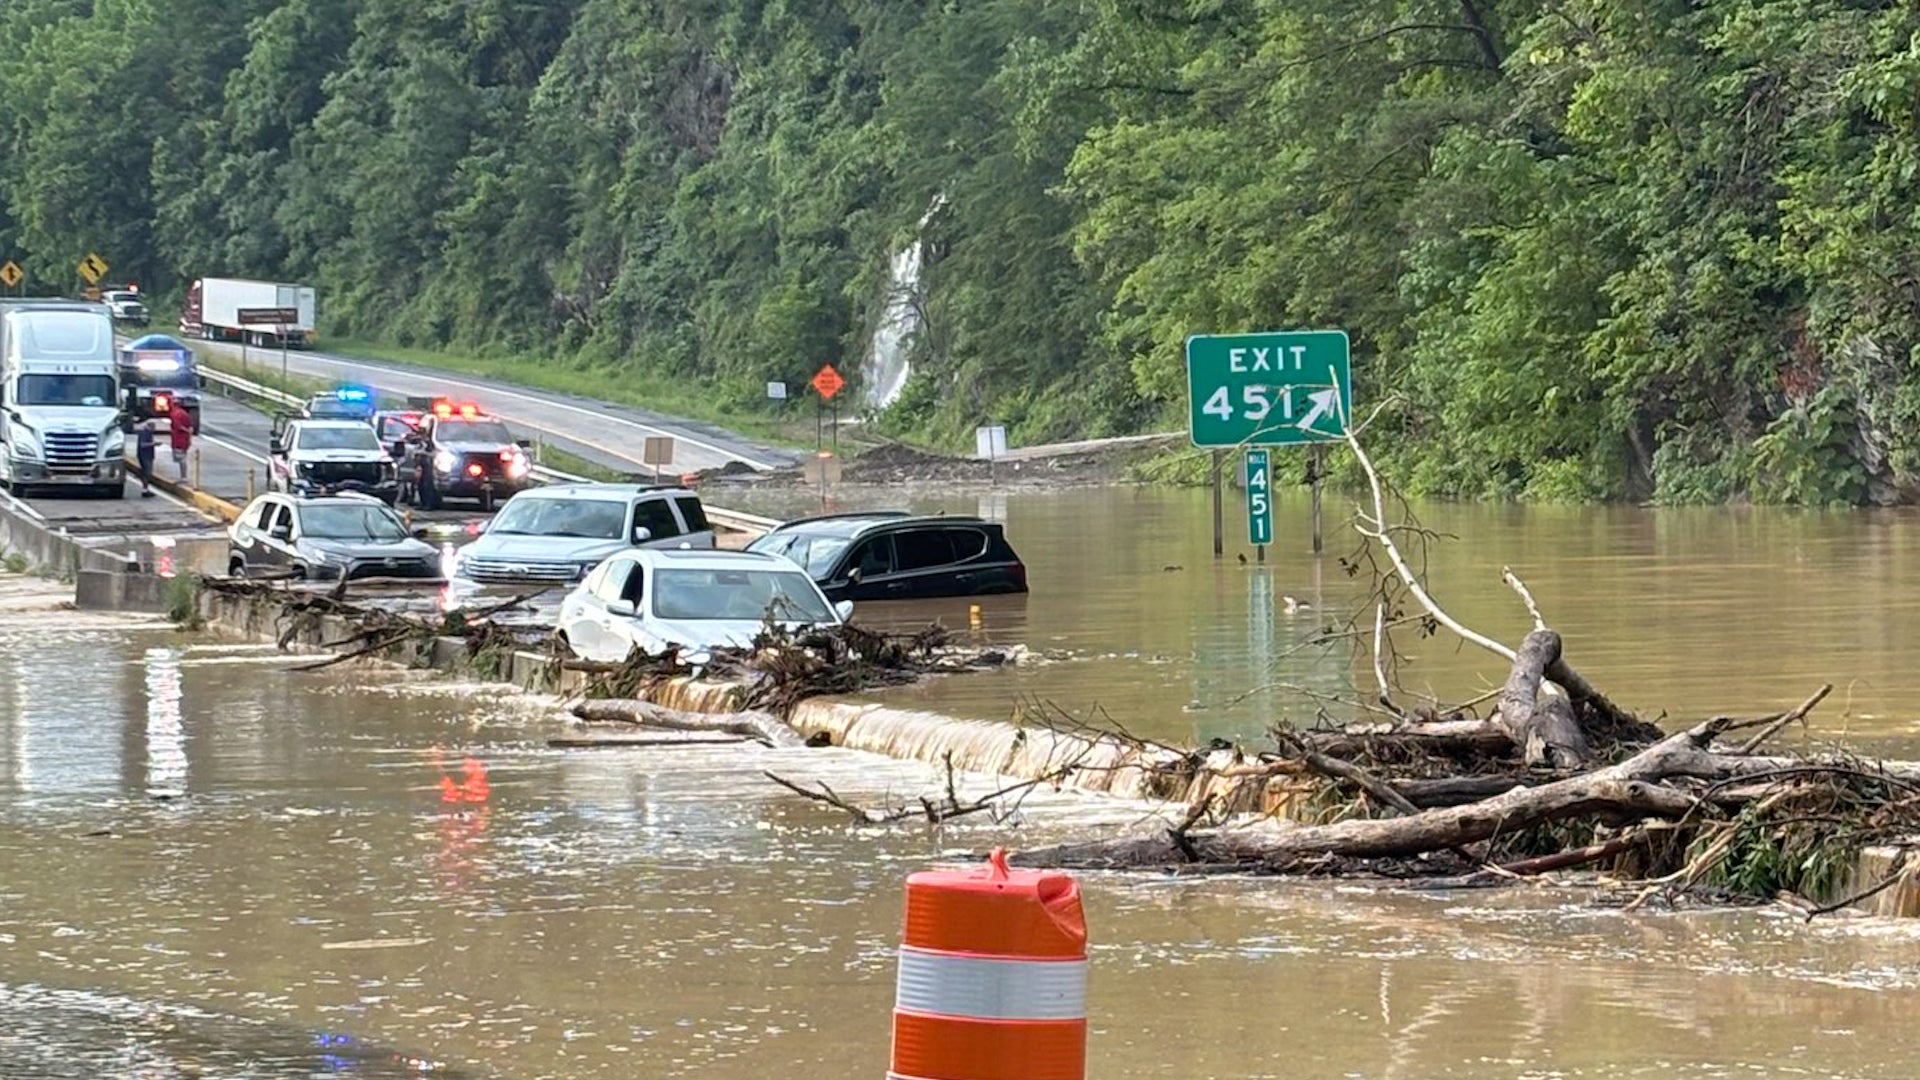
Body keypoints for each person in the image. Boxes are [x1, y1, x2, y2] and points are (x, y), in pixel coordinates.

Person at [167, 400, 194, 483]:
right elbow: (190, 426)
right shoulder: (184, 413)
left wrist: (185, 431)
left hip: (178, 439)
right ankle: (183, 476)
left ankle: (183, 477)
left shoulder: (175, 414)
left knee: (181, 458)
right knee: (183, 457)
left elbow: (177, 426)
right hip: (185, 439)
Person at [134, 419, 157, 497]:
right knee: (147, 473)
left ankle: (145, 489)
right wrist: (153, 444)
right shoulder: (145, 433)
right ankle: (145, 489)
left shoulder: (148, 433)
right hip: (145, 455)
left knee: (147, 473)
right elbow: (142, 444)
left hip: (147, 455)